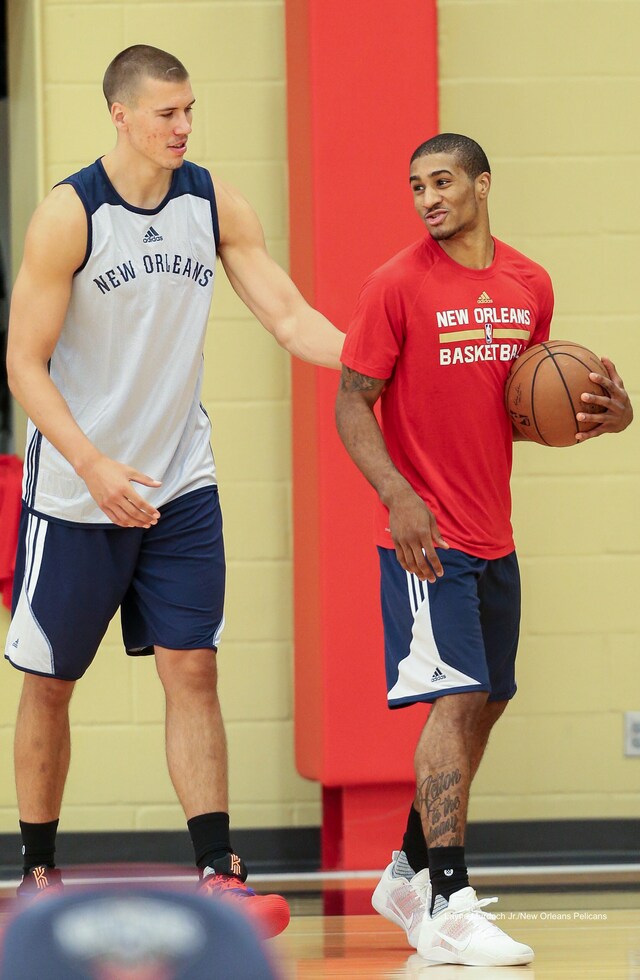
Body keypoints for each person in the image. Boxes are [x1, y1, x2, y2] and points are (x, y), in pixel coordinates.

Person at [4, 44, 343, 938]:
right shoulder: (68, 216)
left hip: (180, 482)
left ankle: (216, 867)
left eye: (190, 109)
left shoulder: (212, 200)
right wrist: (91, 463)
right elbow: (23, 365)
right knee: (50, 683)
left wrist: (373, 357)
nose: (183, 126)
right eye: (166, 113)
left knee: (194, 667)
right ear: (120, 115)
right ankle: (37, 866)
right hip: (80, 490)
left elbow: (288, 313)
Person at [335, 133, 633, 966]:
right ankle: (450, 899)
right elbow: (352, 405)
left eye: (441, 182)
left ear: (482, 185)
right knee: (456, 702)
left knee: (489, 702)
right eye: (415, 186)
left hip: (495, 531)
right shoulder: (394, 286)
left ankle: (405, 870)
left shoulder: (529, 283)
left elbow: (519, 410)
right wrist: (398, 497)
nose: (428, 198)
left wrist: (606, 416)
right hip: (427, 537)